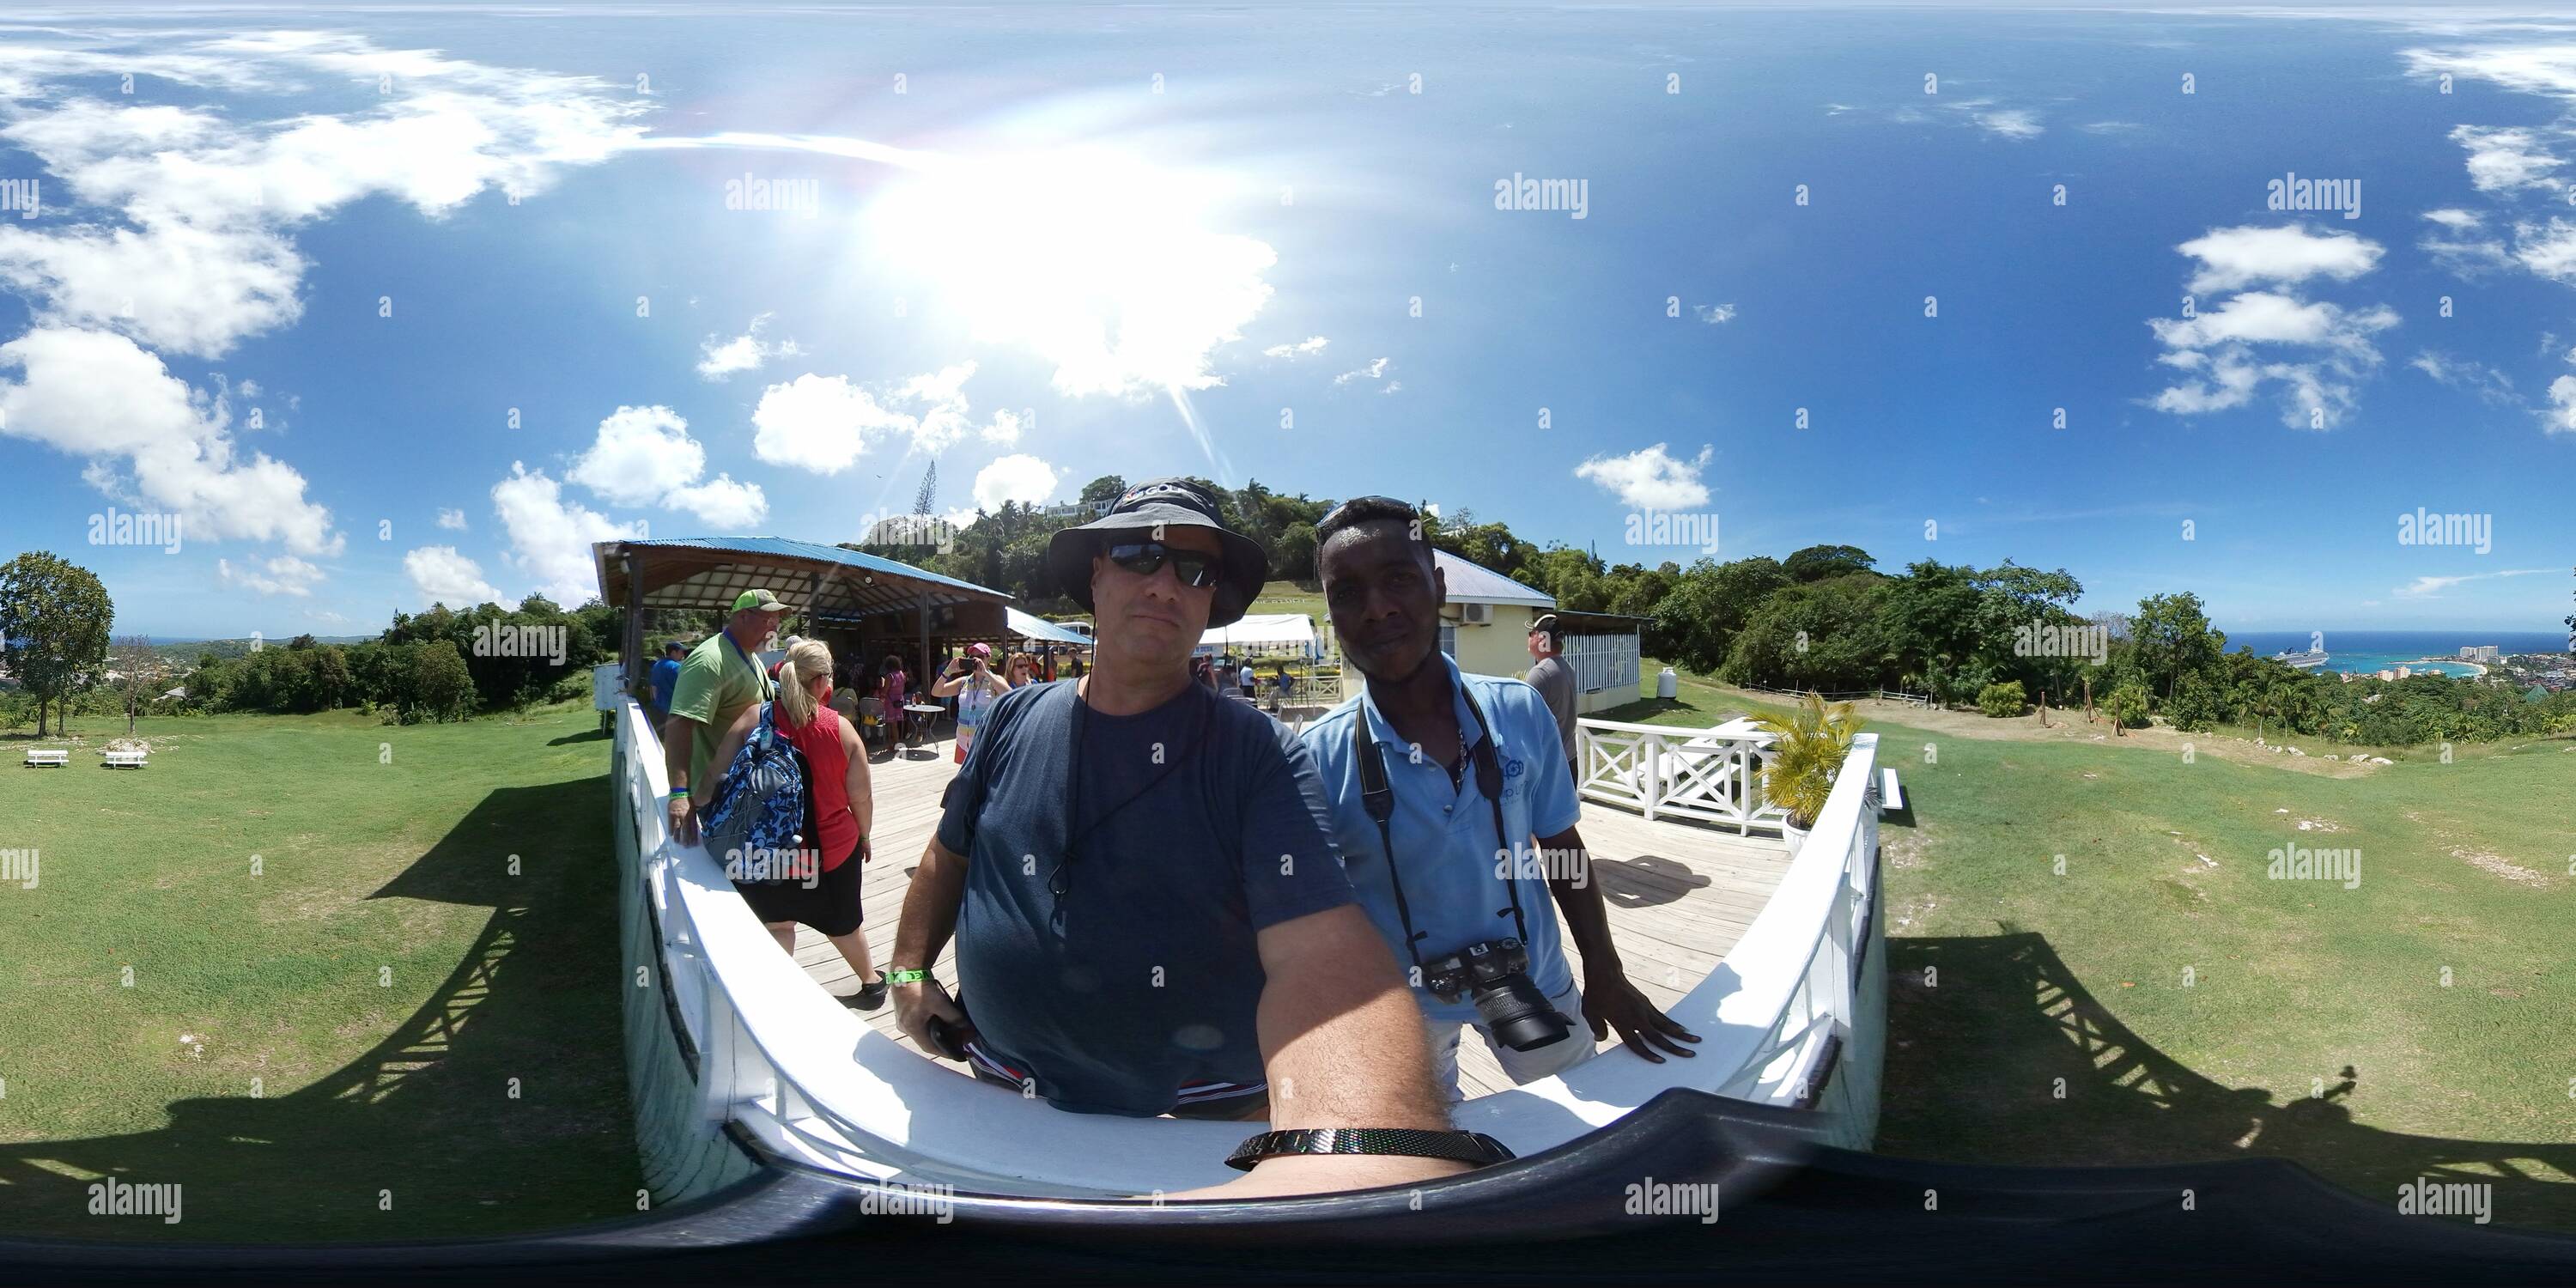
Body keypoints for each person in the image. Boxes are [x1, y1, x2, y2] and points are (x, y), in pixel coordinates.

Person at [889, 477, 1484, 1198]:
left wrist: (1365, 1144)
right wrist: (908, 974)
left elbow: (1320, 951)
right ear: (1096, 573)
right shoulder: (1012, 718)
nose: (1167, 584)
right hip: (995, 1087)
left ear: (1210, 601)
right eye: (1141, 555)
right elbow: (943, 856)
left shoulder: (1257, 752)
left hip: (1201, 1125)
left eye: (1195, 570)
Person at [1300, 497, 1698, 1100]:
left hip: (1533, 975)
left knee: (1586, 1128)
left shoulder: (1517, 709)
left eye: (1399, 579)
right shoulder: (1316, 756)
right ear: (1330, 611)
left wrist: (1606, 972)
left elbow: (1562, 847)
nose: (1377, 608)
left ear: (1437, 587)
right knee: (1428, 1154)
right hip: (1401, 1006)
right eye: (1347, 592)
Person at [697, 639, 886, 1011]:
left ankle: (777, 995)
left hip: (767, 851)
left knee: (779, 924)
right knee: (843, 925)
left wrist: (693, 811)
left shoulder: (755, 717)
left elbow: (713, 779)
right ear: (822, 682)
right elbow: (860, 799)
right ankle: (872, 984)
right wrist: (864, 835)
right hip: (828, 853)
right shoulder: (842, 731)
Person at [664, 590, 789, 847]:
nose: (774, 630)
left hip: (747, 791)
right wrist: (679, 793)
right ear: (743, 616)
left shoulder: (750, 655)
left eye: (777, 624)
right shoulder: (710, 660)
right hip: (718, 796)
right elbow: (680, 726)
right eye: (769, 622)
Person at [930, 642, 1011, 766]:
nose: (976, 660)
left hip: (985, 743)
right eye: (972, 658)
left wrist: (986, 673)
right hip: (964, 741)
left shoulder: (995, 680)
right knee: (966, 782)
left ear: (988, 658)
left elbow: (1010, 694)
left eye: (980, 657)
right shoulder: (963, 682)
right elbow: (936, 692)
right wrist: (948, 671)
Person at [1522, 614, 1580, 778]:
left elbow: (1525, 722)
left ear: (1542, 639)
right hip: (1570, 760)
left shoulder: (1540, 673)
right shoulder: (1567, 668)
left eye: (1531, 633)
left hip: (1550, 766)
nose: (1528, 638)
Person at [647, 640, 687, 728]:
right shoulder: (676, 667)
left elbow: (653, 688)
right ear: (673, 652)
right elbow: (684, 690)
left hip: (659, 710)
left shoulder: (657, 665)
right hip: (674, 711)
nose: (683, 656)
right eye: (681, 652)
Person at [877, 653, 911, 749]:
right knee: (897, 723)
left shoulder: (889, 676)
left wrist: (882, 686)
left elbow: (885, 690)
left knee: (892, 724)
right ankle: (896, 742)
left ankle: (895, 744)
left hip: (890, 702)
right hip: (899, 701)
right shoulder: (901, 674)